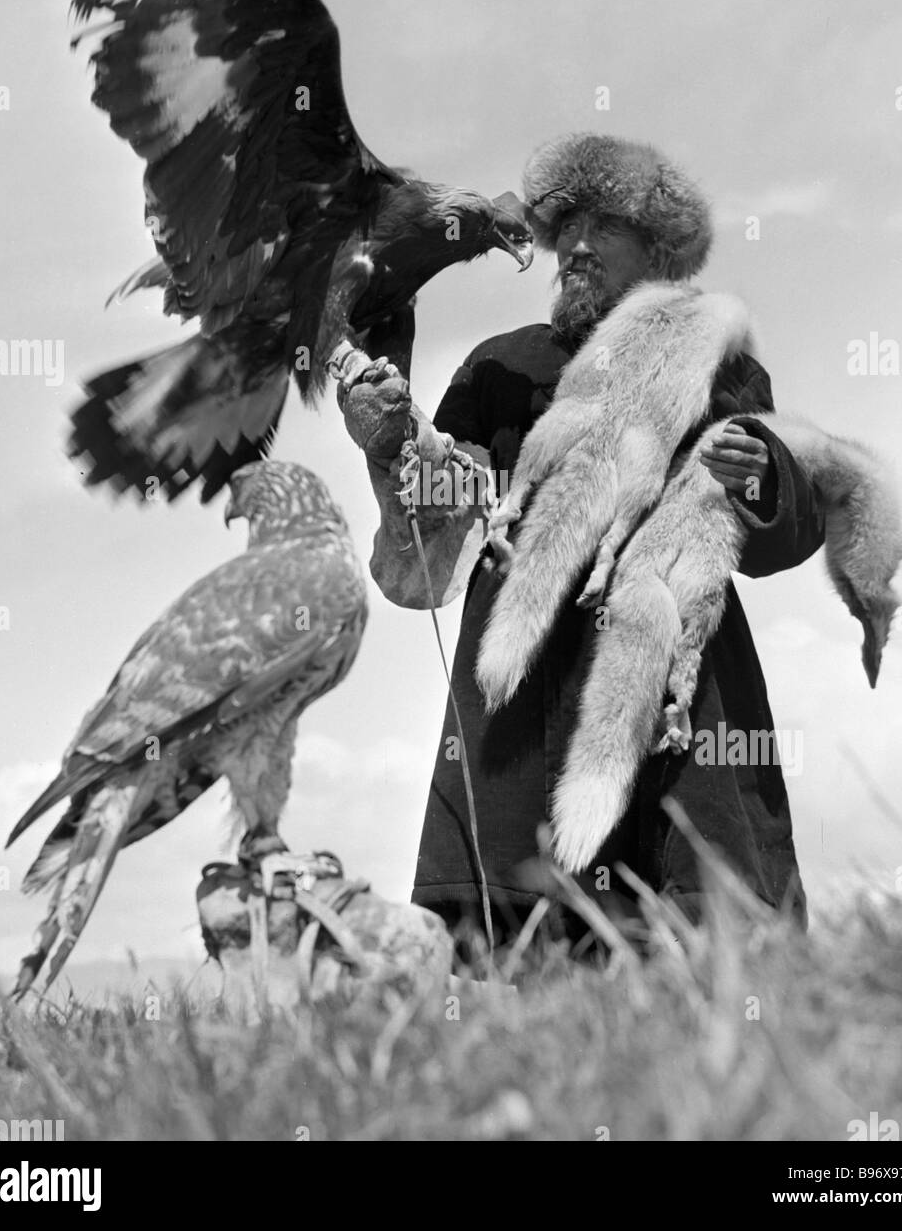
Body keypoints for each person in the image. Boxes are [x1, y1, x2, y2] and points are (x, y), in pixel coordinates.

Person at [338, 133, 824, 948]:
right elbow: (433, 545)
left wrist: (761, 475)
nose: (575, 246)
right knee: (534, 956)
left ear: (658, 252)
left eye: (605, 228)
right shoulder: (498, 367)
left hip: (676, 684)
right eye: (564, 227)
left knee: (708, 935)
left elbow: (787, 534)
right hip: (525, 698)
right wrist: (389, 446)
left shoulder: (718, 366)